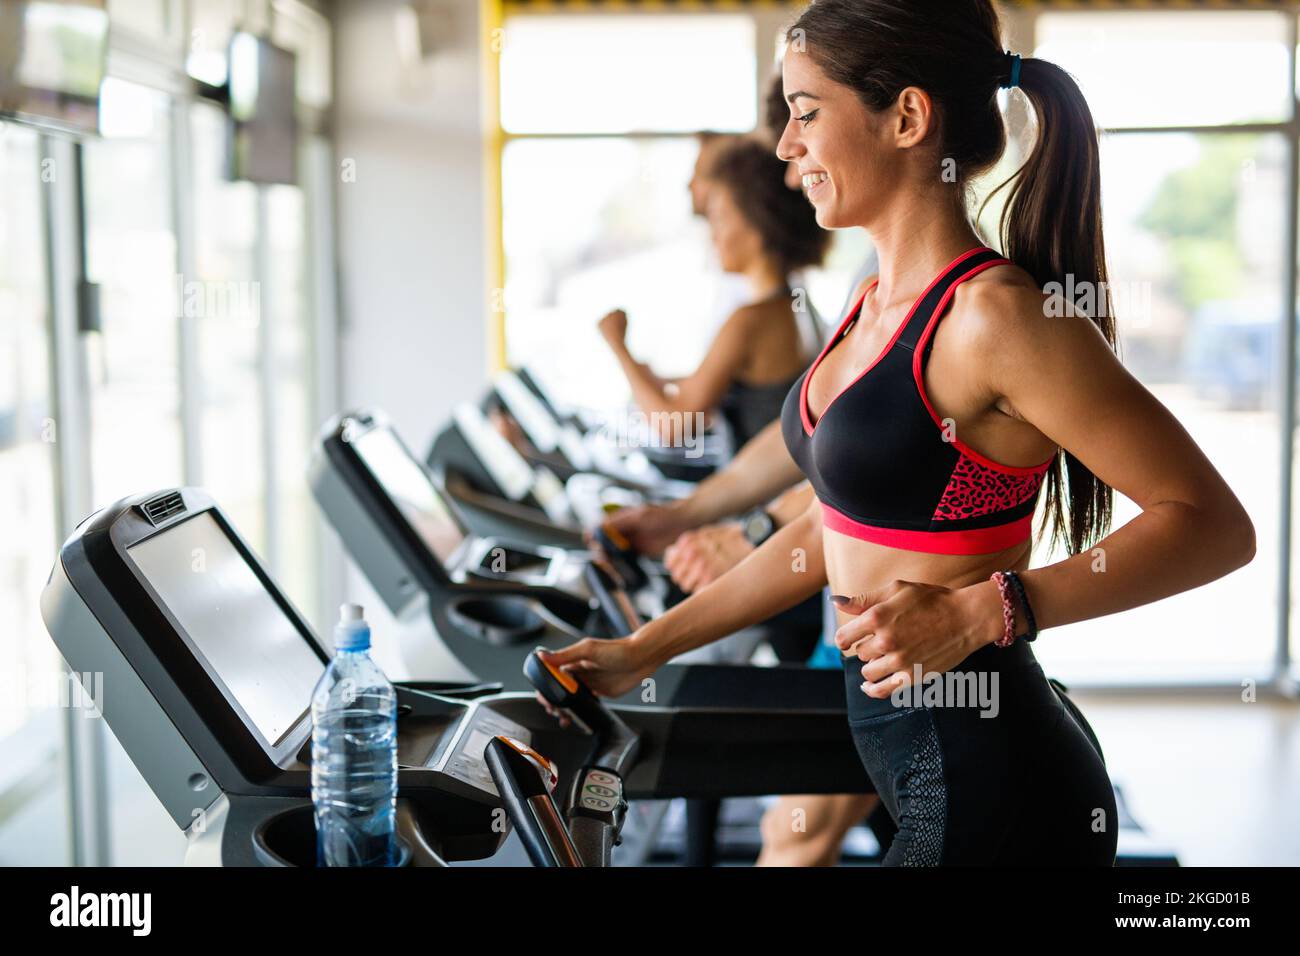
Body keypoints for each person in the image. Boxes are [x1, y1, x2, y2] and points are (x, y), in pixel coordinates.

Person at [544, 0, 1255, 866]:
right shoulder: (867, 303)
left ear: (909, 118)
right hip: (914, 761)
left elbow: (1214, 525)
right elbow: (830, 533)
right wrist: (640, 651)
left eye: (807, 112)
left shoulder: (996, 319)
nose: (786, 146)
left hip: (997, 786)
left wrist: (991, 607)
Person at [597, 137, 831, 452]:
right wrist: (655, 378)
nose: (713, 235)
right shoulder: (793, 303)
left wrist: (617, 345)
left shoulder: (750, 321)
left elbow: (674, 426)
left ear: (757, 224)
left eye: (720, 217)